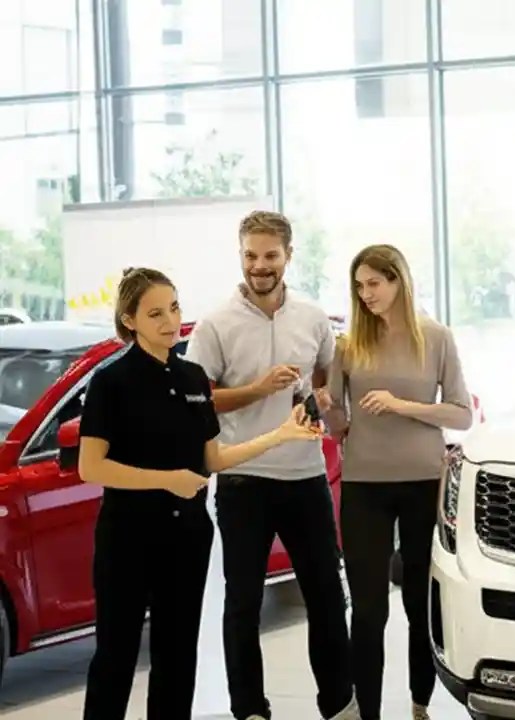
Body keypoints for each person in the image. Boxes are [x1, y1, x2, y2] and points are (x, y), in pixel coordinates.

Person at [79, 267, 322, 720]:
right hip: (128, 538)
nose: (170, 321)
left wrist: (281, 435)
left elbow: (213, 459)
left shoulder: (193, 377)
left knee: (177, 656)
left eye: (174, 308)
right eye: (155, 314)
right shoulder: (110, 381)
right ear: (130, 320)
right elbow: (90, 466)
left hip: (187, 537)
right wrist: (166, 479)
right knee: (116, 654)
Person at [183, 211, 358, 720]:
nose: (259, 265)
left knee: (327, 597)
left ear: (288, 256)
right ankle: (250, 710)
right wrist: (259, 389)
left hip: (305, 477)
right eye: (250, 255)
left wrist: (317, 401)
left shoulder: (312, 318)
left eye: (270, 256)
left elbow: (323, 379)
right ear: (240, 255)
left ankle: (339, 705)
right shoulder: (216, 325)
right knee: (242, 604)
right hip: (243, 480)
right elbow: (198, 400)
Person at [317, 244, 472, 720]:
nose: (366, 294)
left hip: (424, 483)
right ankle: (368, 712)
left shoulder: (437, 338)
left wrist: (402, 405)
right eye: (359, 286)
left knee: (418, 604)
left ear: (398, 281)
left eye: (374, 283)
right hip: (365, 486)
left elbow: (462, 415)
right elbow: (339, 425)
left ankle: (420, 705)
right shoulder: (348, 345)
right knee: (368, 611)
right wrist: (326, 408)